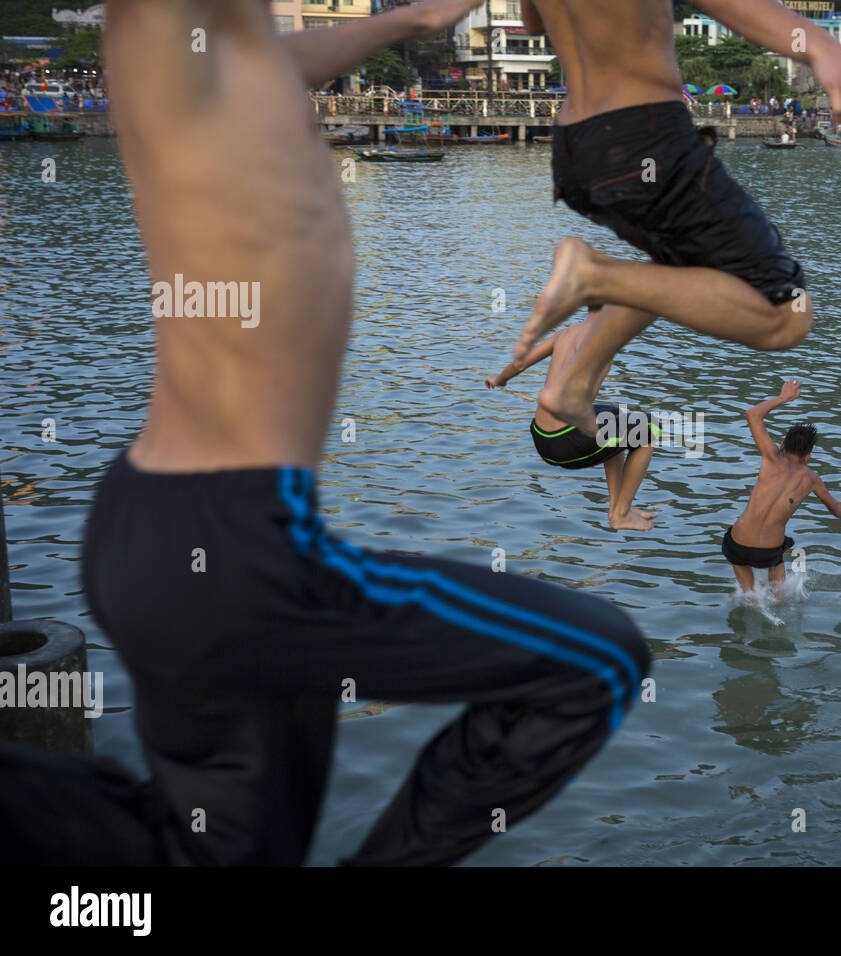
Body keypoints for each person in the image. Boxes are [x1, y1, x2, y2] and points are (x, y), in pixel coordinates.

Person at [0, 0, 650, 868]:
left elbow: (273, 57)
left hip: (171, 531)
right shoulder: (164, 35)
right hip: (225, 538)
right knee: (599, 660)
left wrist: (405, 23)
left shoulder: (230, 65)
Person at [511, 0, 841, 437]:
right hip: (644, 135)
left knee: (678, 268)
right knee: (787, 317)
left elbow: (532, 21)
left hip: (576, 154)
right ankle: (594, 276)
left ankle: (573, 386)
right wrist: (823, 46)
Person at [486, 314, 660, 531]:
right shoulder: (605, 339)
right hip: (564, 443)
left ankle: (617, 506)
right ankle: (621, 514)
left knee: (615, 416)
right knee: (648, 428)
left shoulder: (566, 333)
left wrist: (499, 379)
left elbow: (520, 364)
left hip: (541, 434)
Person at [722, 379, 841, 596]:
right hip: (769, 551)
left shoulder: (771, 456)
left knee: (747, 588)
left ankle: (751, 599)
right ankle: (778, 602)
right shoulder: (812, 479)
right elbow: (833, 506)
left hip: (740, 543)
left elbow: (752, 414)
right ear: (808, 456)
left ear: (783, 445)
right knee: (777, 562)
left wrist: (784, 398)